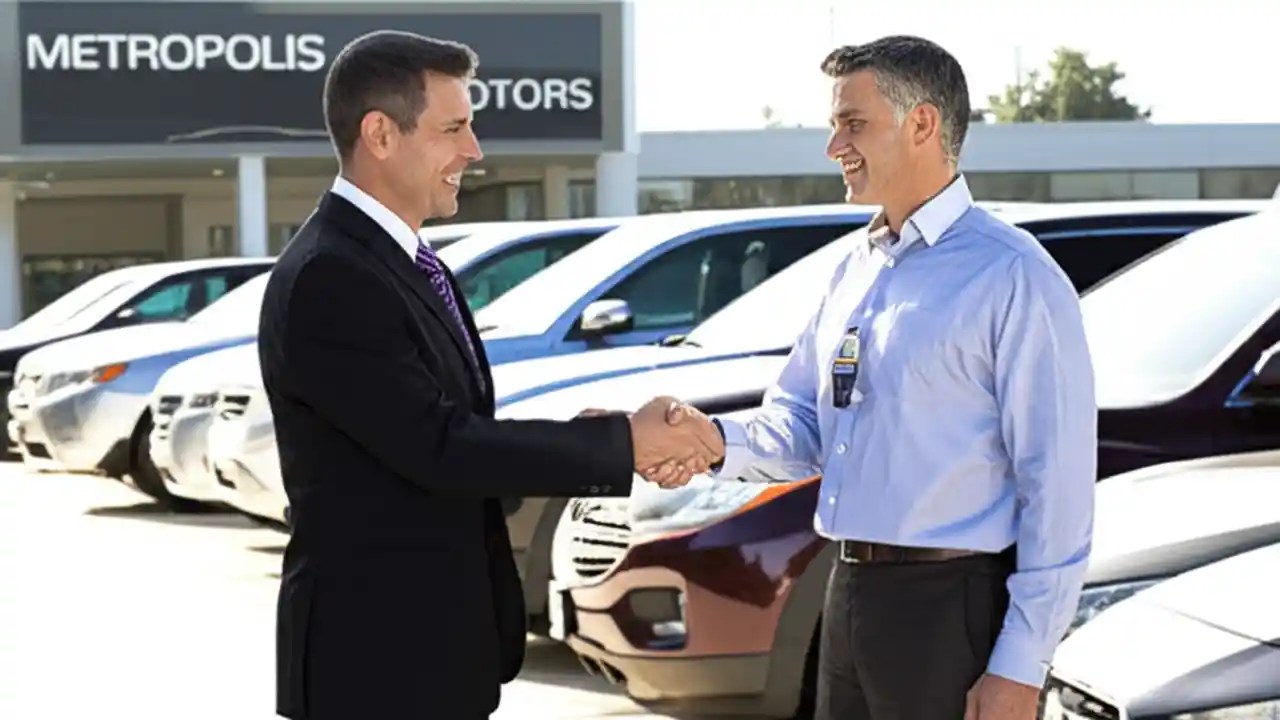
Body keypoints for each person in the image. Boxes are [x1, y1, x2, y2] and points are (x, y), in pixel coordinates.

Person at [257, 30, 719, 720]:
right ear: (380, 133)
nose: (473, 152)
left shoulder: (400, 259)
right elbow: (441, 448)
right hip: (376, 667)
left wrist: (581, 439)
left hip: (426, 657)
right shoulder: (334, 275)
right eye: (454, 129)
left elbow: (447, 433)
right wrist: (622, 444)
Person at [642, 35, 1096, 720]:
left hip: (951, 609)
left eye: (852, 123)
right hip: (849, 594)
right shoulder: (854, 269)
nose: (833, 146)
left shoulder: (1013, 275)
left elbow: (1056, 487)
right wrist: (708, 439)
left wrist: (1020, 664)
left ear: (923, 124)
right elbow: (803, 424)